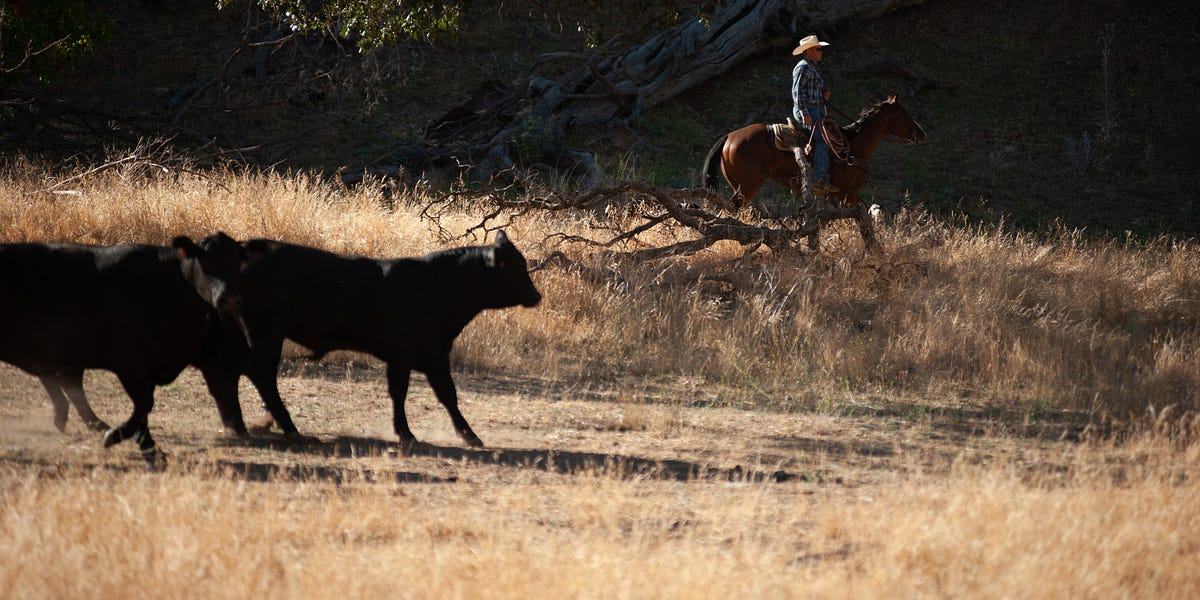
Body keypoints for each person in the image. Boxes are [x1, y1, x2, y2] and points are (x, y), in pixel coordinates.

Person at [791, 34, 840, 196]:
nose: (821, 52)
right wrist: (804, 112)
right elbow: (797, 92)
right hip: (807, 110)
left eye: (820, 49)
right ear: (808, 51)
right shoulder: (803, 67)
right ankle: (818, 180)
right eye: (818, 49)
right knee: (823, 140)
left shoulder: (811, 68)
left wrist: (822, 97)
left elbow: (807, 92)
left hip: (815, 109)